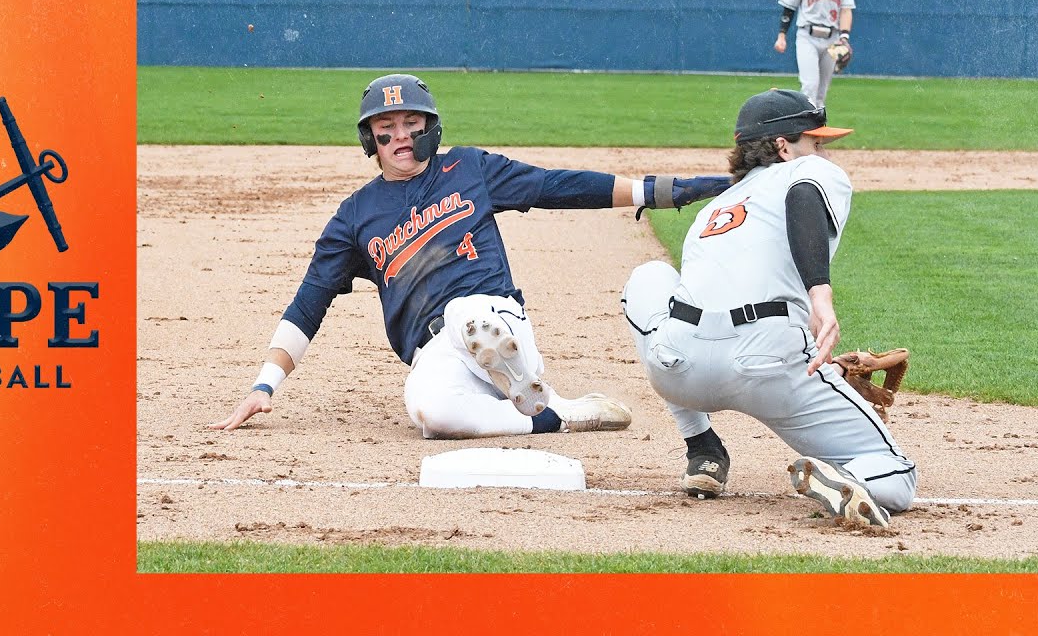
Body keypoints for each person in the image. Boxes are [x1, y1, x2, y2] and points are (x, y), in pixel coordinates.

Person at [209, 73, 732, 439]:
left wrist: (665, 190)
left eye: (411, 124)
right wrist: (263, 385)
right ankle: (551, 414)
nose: (399, 137)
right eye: (385, 128)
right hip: (435, 351)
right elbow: (308, 304)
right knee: (427, 410)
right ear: (369, 139)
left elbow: (558, 186)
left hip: (498, 319)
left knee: (466, 313)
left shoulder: (470, 169)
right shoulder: (354, 217)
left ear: (430, 128)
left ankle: (518, 373)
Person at [620, 88, 916, 527]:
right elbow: (803, 196)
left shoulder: (716, 207)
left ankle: (701, 446)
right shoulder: (806, 172)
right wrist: (820, 295)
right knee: (896, 478)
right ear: (783, 146)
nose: (821, 151)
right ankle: (846, 476)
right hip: (767, 366)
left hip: (680, 371)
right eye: (814, 141)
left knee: (647, 277)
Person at [773, 0, 855, 109]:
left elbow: (846, 10)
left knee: (821, 93)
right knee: (810, 86)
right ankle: (806, 126)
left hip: (833, 38)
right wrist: (782, 35)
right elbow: (789, 7)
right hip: (807, 36)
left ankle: (818, 126)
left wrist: (844, 38)